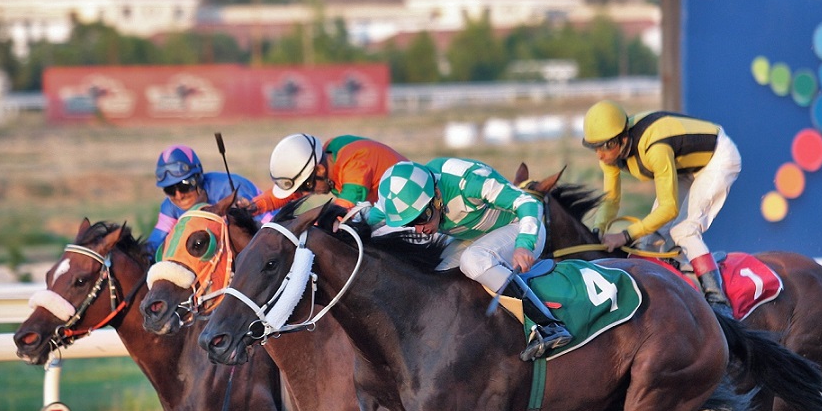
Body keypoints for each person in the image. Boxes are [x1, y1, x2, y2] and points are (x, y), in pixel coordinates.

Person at [365, 157, 572, 361]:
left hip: (522, 229)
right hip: (477, 237)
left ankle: (547, 324)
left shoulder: (469, 182)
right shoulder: (405, 198)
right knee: (435, 273)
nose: (420, 229)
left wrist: (524, 244)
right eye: (410, 223)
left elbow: (528, 202)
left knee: (473, 261)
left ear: (437, 194)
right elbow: (367, 218)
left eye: (422, 217)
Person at [581, 99, 741, 317]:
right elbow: (611, 200)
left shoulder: (655, 147)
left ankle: (718, 301)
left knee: (683, 231)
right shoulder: (610, 155)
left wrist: (625, 236)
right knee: (649, 241)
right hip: (683, 166)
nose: (600, 155)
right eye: (595, 147)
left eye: (606, 146)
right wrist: (597, 229)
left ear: (623, 138)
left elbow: (668, 209)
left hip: (717, 158)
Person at [145, 144, 262, 257]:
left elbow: (267, 225)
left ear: (198, 178)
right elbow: (154, 244)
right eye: (169, 189)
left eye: (184, 186)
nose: (179, 196)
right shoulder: (170, 206)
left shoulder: (230, 186)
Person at [247, 133, 407, 216]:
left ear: (319, 170)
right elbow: (289, 194)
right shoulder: (328, 156)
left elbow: (343, 210)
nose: (307, 192)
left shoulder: (354, 163)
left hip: (413, 211)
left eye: (307, 185)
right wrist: (253, 207)